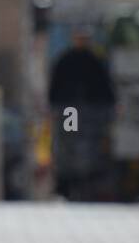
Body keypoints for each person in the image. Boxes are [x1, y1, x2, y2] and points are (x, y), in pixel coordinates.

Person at [47, 26, 116, 199]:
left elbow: (105, 87)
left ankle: (82, 180)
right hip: (72, 109)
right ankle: (70, 181)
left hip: (87, 111)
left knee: (86, 147)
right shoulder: (71, 59)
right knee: (70, 144)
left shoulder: (92, 59)